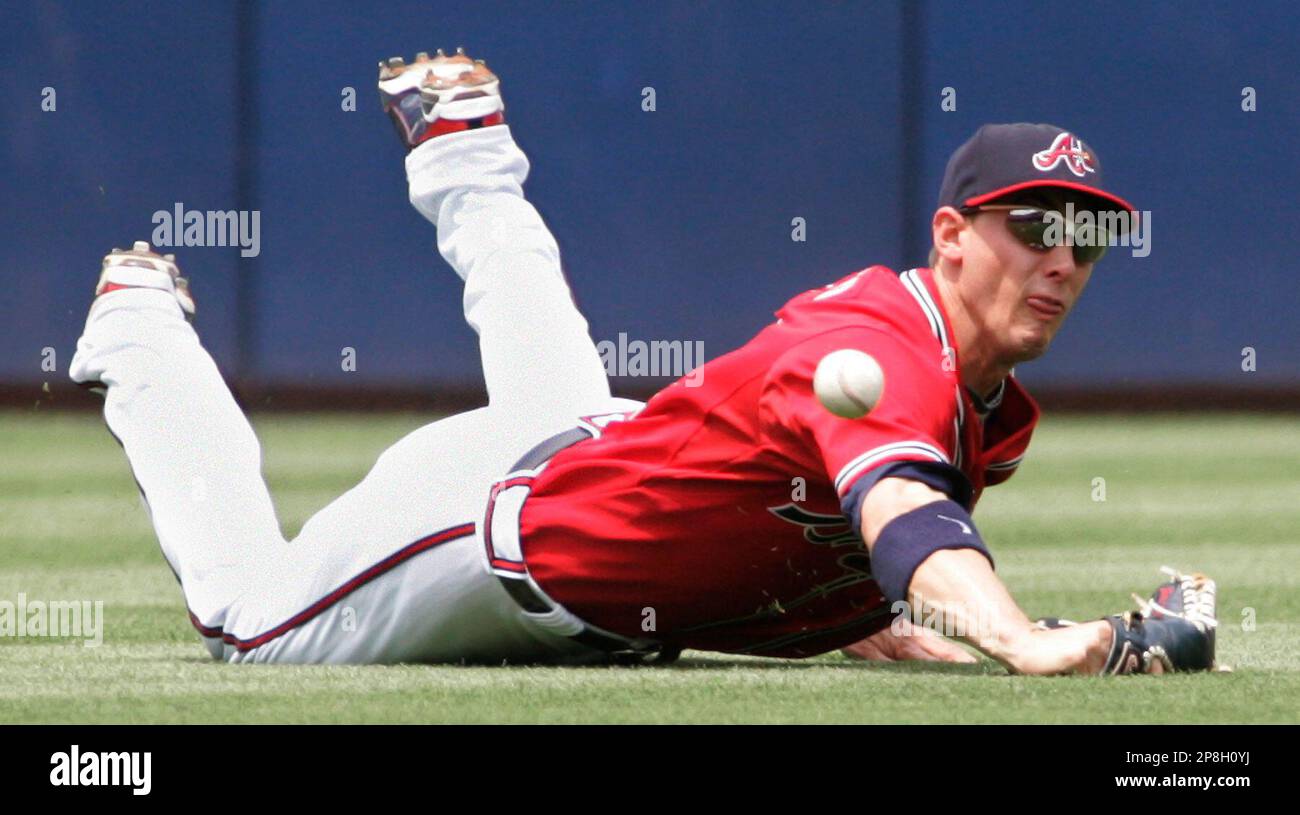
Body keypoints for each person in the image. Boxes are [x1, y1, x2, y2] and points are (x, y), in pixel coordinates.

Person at [70, 49, 1216, 673]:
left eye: (1090, 231)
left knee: (561, 389)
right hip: (489, 531)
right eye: (1034, 225)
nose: (1065, 255)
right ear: (952, 235)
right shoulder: (882, 347)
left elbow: (809, 506)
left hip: (605, 450)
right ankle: (139, 334)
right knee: (247, 622)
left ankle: (465, 145)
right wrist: (1013, 637)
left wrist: (837, 609)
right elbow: (904, 514)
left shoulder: (983, 401)